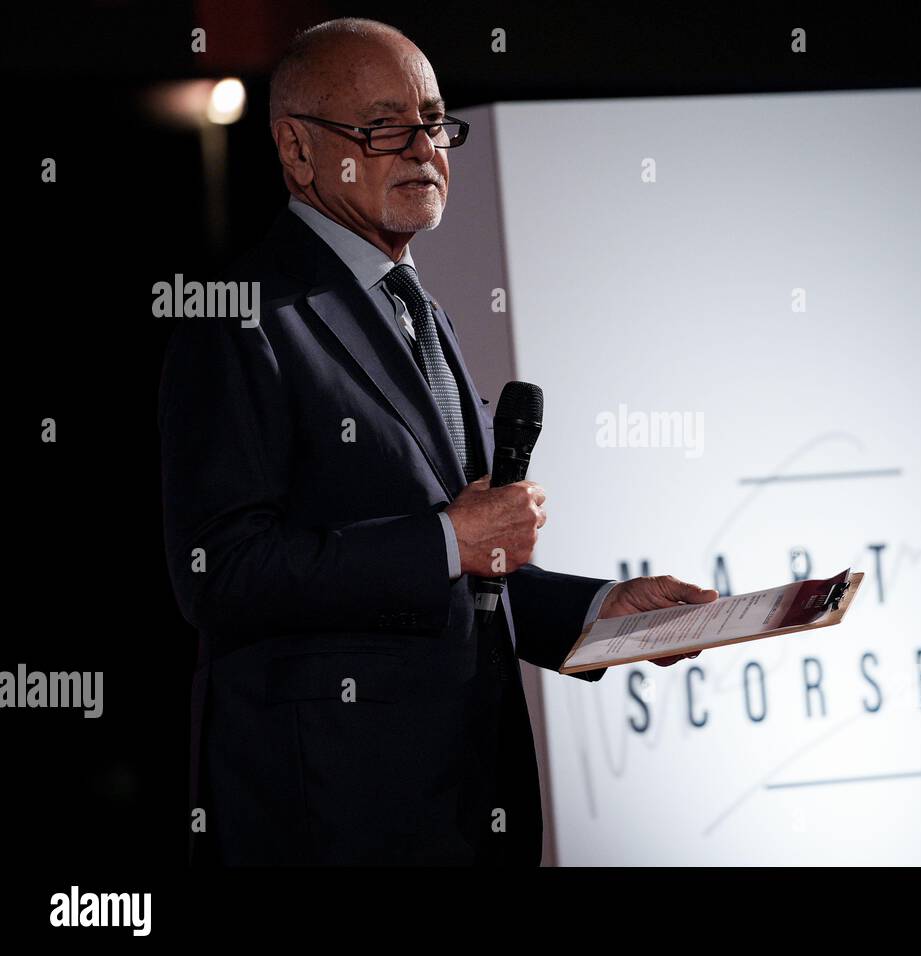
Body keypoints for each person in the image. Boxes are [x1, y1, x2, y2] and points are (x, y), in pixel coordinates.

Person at [158, 16, 717, 866]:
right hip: (333, 820)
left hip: (463, 801)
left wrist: (603, 614)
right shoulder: (240, 317)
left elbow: (460, 580)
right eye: (384, 127)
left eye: (434, 121)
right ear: (297, 151)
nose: (423, 148)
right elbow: (221, 573)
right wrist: (449, 538)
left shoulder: (418, 307)